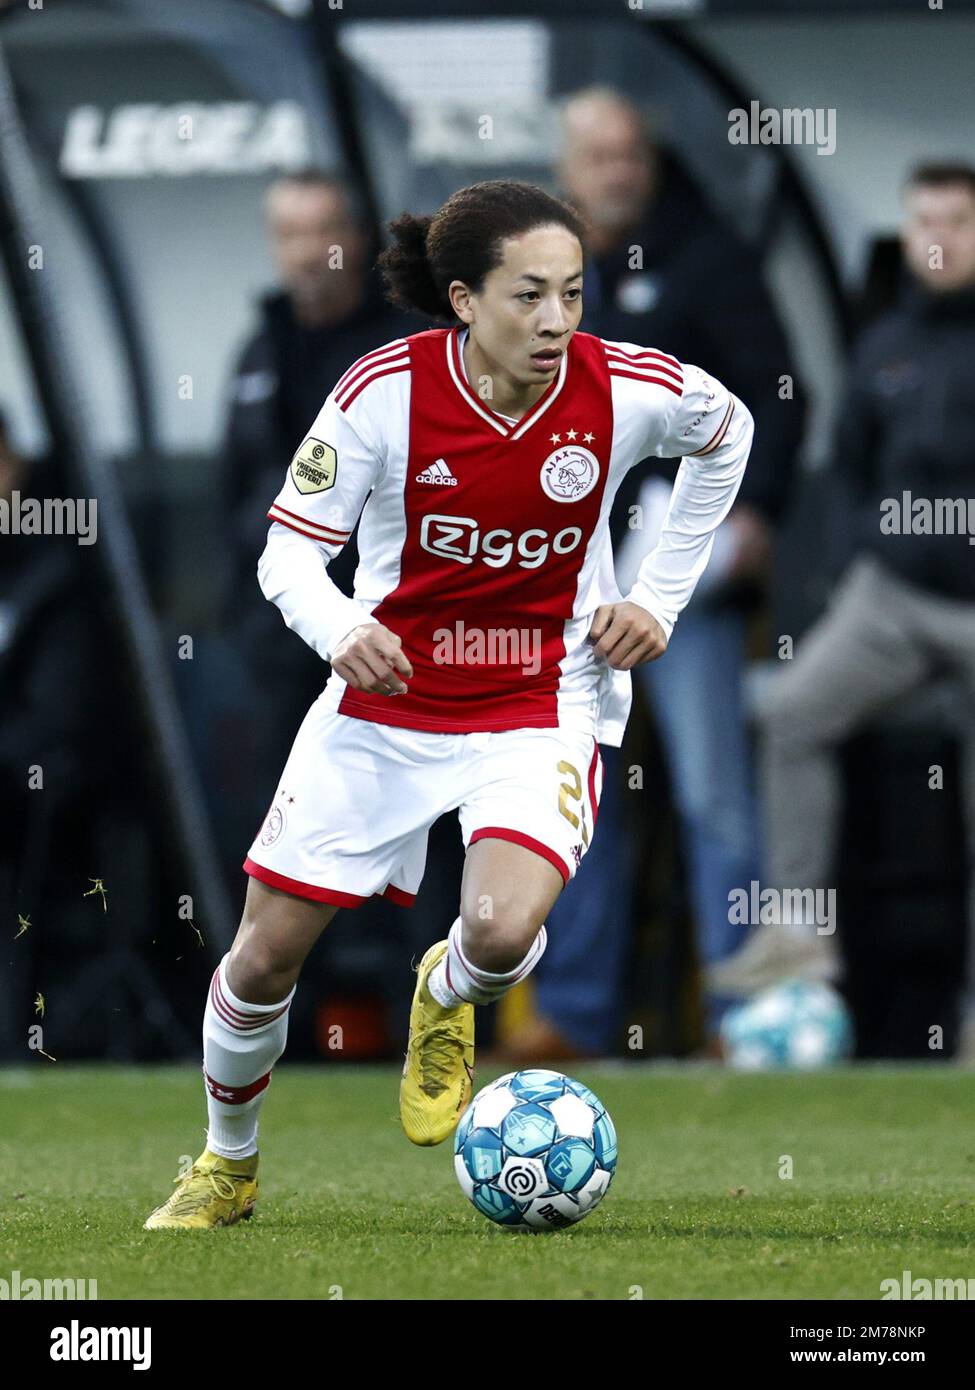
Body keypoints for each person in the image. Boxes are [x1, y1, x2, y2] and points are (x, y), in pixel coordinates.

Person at [144, 178, 753, 1229]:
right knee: (263, 953)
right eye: (530, 295)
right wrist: (343, 630)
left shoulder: (624, 388)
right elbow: (287, 553)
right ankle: (226, 1164)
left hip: (540, 699)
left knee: (504, 931)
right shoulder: (382, 393)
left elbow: (729, 430)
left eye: (571, 292)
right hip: (386, 708)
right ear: (465, 300)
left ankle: (450, 992)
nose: (558, 320)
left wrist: (657, 595)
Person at [514, 88, 802, 1058]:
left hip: (678, 574)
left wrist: (753, 507)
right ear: (567, 170)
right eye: (599, 157)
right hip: (566, 583)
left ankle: (738, 1010)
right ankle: (574, 1013)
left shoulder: (710, 257)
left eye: (631, 153)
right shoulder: (540, 269)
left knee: (714, 794)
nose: (618, 172)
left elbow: (780, 395)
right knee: (569, 791)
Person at [709, 162, 975, 1060]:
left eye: (958, 220)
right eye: (923, 220)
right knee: (790, 714)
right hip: (893, 598)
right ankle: (797, 933)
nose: (937, 239)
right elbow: (852, 467)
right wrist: (874, 548)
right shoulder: (884, 341)